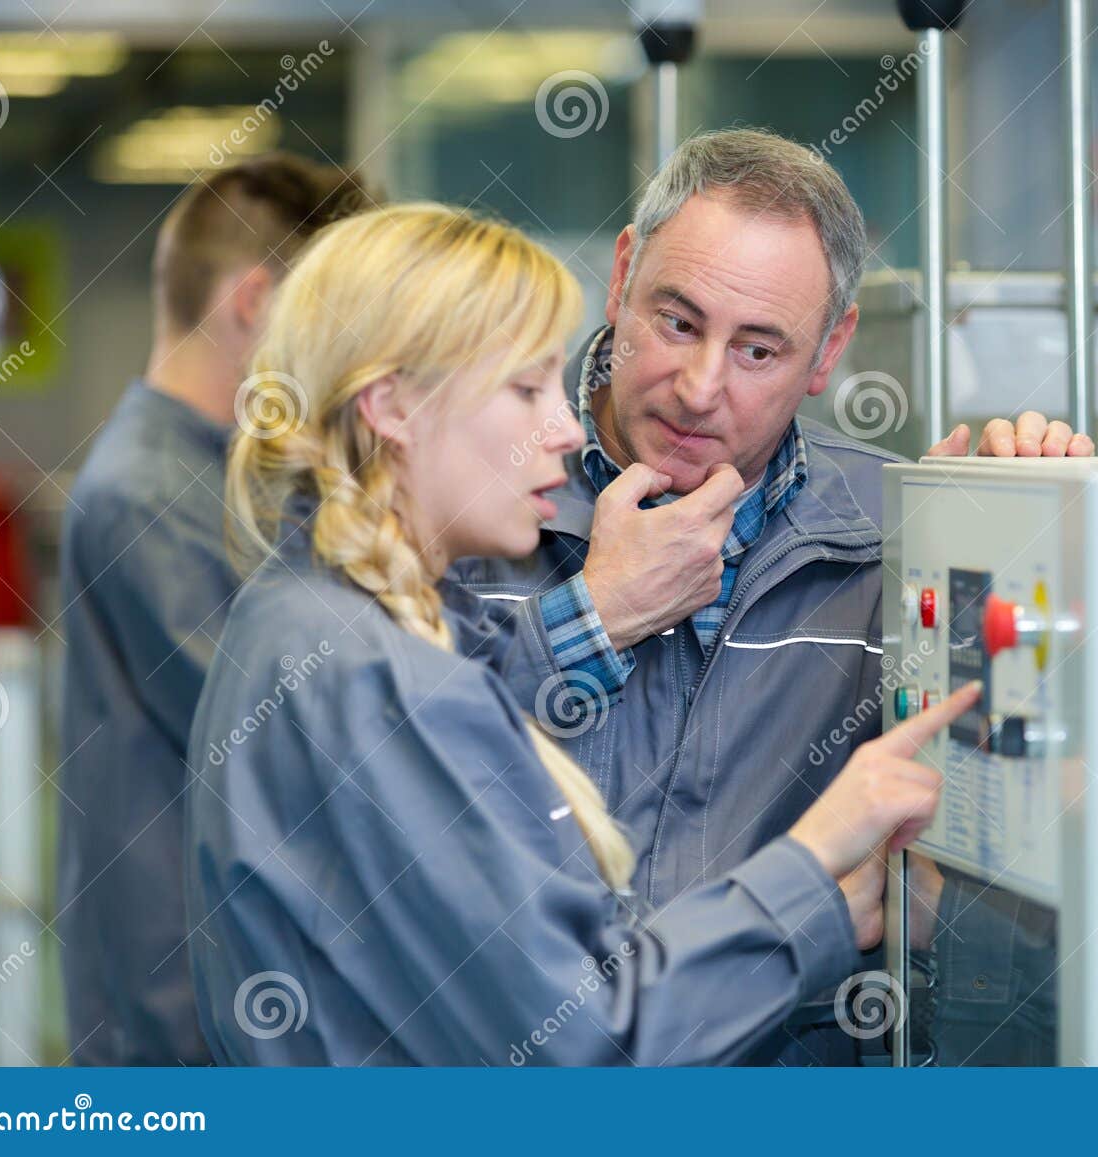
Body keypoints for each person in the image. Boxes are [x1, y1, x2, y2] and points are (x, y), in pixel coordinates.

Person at [185, 202, 981, 1065]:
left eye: (759, 347)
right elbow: (588, 1035)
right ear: (392, 407)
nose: (561, 427)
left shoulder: (300, 615)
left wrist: (1010, 528)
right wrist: (817, 868)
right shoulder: (366, 665)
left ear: (829, 350)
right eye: (526, 389)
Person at [442, 128, 1090, 1062]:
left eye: (758, 351)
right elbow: (373, 807)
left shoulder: (892, 538)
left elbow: (1014, 907)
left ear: (829, 352)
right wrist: (588, 619)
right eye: (677, 321)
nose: (700, 388)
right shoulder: (473, 500)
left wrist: (1028, 558)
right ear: (623, 274)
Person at [56, 154, 375, 1065]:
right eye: (329, 318)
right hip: (177, 1012)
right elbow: (285, 745)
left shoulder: (213, 475)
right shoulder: (149, 493)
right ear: (255, 303)